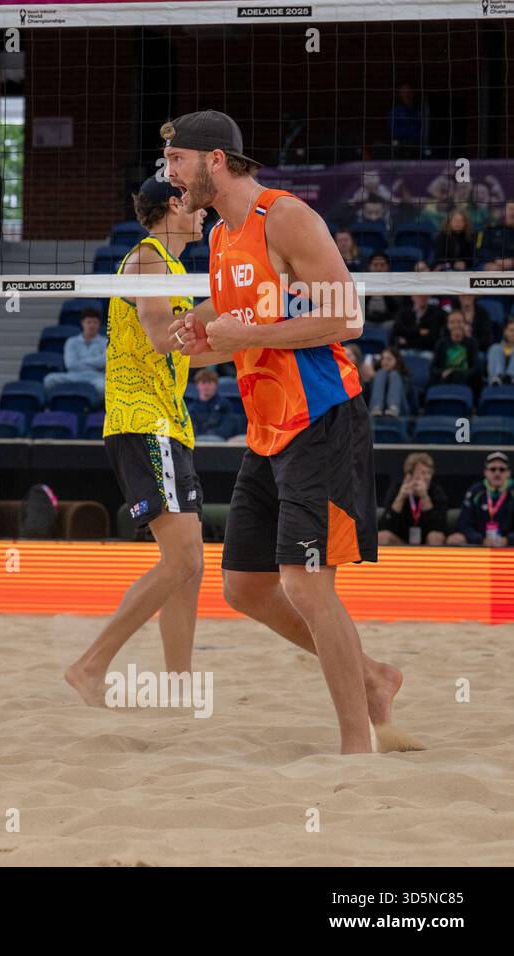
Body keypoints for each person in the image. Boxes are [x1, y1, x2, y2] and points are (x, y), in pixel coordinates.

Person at [166, 110, 413, 755]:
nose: (169, 176)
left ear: (214, 159)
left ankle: (359, 743)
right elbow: (233, 323)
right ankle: (372, 677)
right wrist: (193, 335)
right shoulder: (221, 236)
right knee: (245, 586)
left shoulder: (287, 216)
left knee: (305, 582)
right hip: (269, 427)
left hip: (323, 417)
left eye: (176, 162)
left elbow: (346, 316)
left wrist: (244, 334)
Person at [66, 175, 206, 703]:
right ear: (174, 205)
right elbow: (158, 335)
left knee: (189, 565)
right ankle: (90, 665)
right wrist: (228, 305)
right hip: (141, 420)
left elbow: (187, 349)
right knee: (183, 559)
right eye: (195, 205)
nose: (205, 215)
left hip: (171, 422)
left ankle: (178, 684)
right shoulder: (148, 259)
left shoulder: (174, 269)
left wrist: (252, 337)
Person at [378, 452, 447, 547]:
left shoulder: (436, 491)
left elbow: (440, 527)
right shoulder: (397, 489)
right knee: (382, 537)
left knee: (436, 537)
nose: (427, 477)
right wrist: (401, 497)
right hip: (401, 542)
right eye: (423, 473)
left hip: (427, 544)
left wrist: (425, 497)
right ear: (410, 475)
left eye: (429, 473)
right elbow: (385, 526)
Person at [447, 451, 513, 547]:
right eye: (493, 469)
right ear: (485, 472)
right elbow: (463, 523)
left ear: (508, 473)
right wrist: (480, 539)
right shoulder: (475, 491)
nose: (497, 473)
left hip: (508, 542)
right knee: (455, 539)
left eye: (502, 469)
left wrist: (507, 540)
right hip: (480, 541)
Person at [43, 309, 107, 399]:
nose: (92, 325)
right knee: (50, 379)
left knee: (103, 386)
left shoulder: (105, 342)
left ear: (99, 324)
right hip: (73, 375)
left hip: (96, 377)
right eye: (89, 322)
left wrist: (81, 362)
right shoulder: (71, 341)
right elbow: (70, 365)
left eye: (95, 322)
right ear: (82, 323)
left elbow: (104, 362)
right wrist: (95, 363)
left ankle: (95, 409)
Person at [429, 311, 481, 398]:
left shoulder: (472, 342)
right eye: (452, 322)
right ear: (448, 325)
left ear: (464, 324)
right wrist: (443, 373)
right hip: (445, 379)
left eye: (459, 322)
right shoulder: (441, 343)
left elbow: (475, 368)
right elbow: (432, 369)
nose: (456, 325)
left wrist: (456, 373)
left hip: (465, 379)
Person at [186, 367, 234, 438]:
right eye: (203, 383)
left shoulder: (224, 404)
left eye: (210, 383)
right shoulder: (191, 408)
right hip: (198, 443)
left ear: (216, 385)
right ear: (197, 385)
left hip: (220, 443)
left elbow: (227, 427)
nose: (206, 386)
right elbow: (191, 430)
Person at [367, 347, 412, 417]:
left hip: (401, 410)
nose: (384, 362)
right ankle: (376, 407)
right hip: (377, 413)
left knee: (394, 374)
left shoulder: (405, 377)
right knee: (381, 372)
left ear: (397, 360)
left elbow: (408, 397)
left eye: (389, 359)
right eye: (383, 359)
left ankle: (393, 408)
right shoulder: (376, 375)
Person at [475, 200, 514, 271]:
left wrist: (512, 261)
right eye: (510, 209)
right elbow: (480, 250)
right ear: (504, 211)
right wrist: (496, 260)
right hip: (491, 262)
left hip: (511, 264)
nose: (513, 212)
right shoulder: (491, 229)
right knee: (494, 269)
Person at [486, 319, 514, 386]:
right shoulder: (497, 348)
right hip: (496, 382)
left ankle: (510, 377)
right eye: (511, 330)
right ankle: (498, 377)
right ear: (505, 331)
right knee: (495, 348)